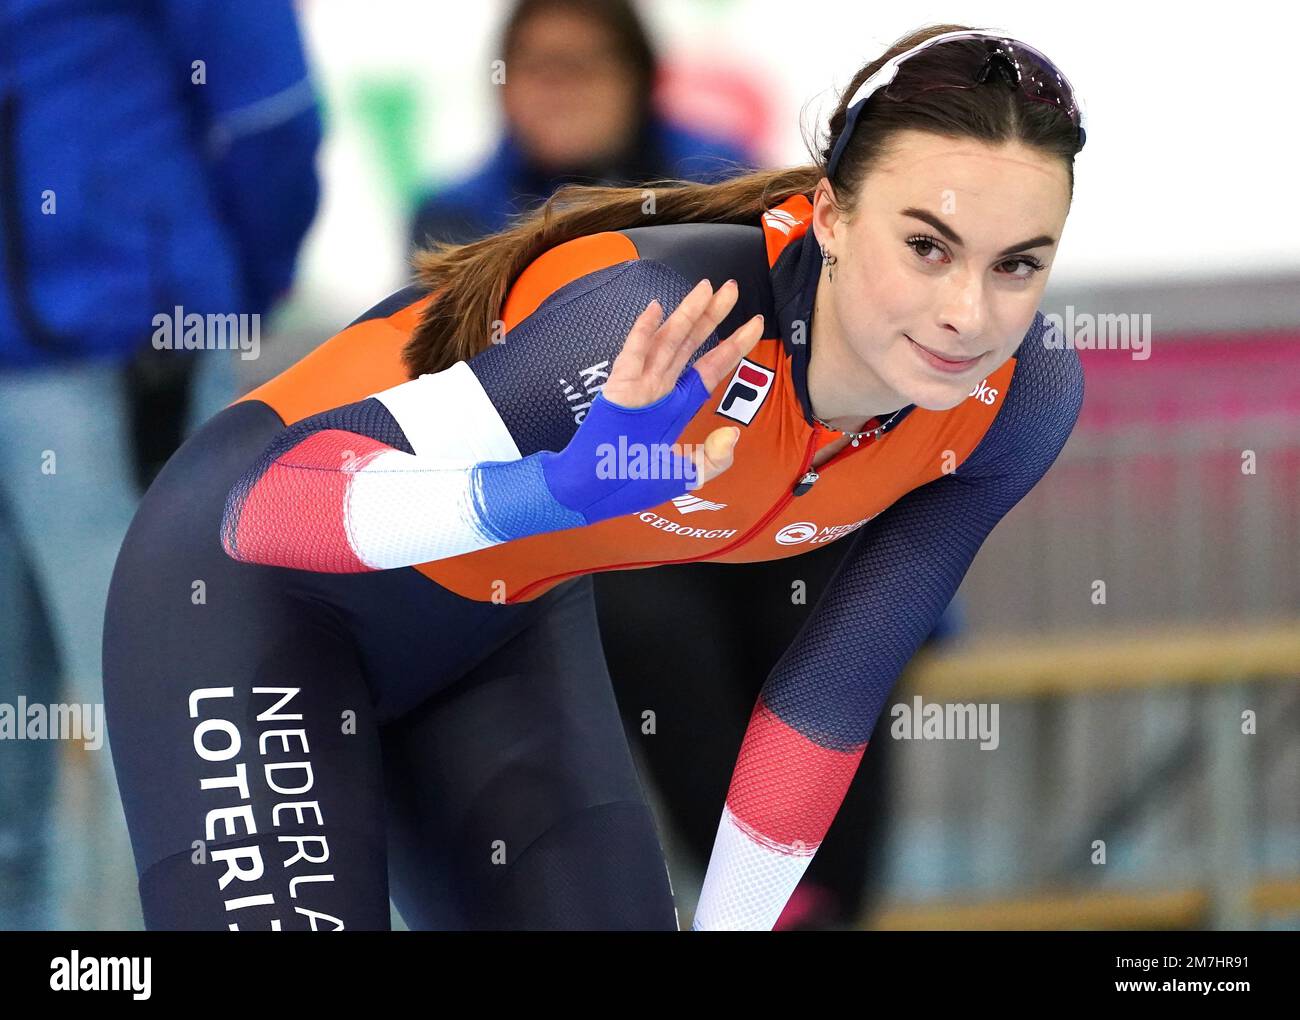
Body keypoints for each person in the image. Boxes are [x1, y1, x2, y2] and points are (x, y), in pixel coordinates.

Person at [103, 24, 1087, 930]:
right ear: (829, 215)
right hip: (249, 598)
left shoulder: (1017, 396)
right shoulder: (663, 321)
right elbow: (270, 508)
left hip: (490, 634)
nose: (969, 313)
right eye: (926, 247)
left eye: (1016, 266)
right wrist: (553, 492)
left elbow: (828, 696)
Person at [0, 0, 321, 929]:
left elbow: (271, 117)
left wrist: (211, 291)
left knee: (160, 750)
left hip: (123, 359)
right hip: (92, 347)